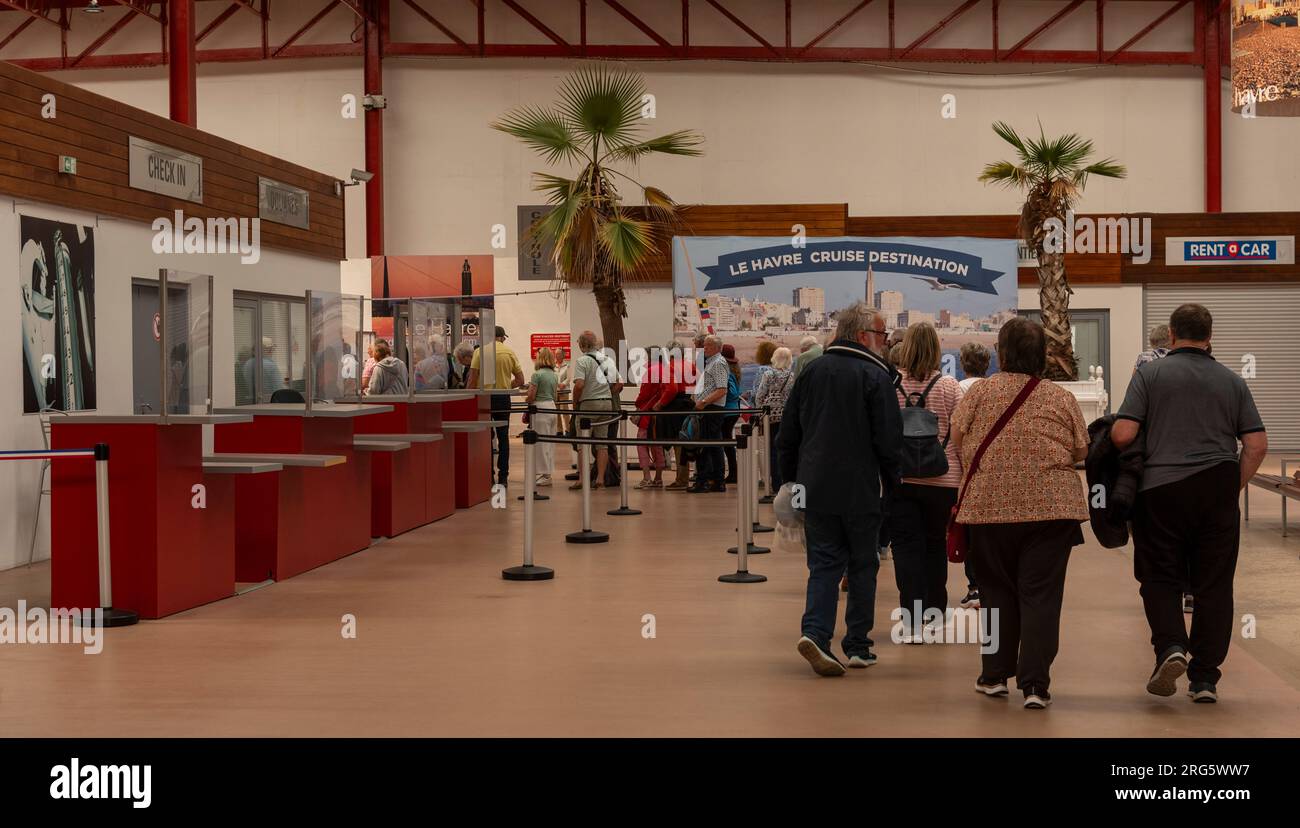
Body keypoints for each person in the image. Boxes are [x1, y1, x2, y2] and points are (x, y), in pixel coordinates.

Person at [1110, 304, 1267, 705]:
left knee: (1159, 576)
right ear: (1210, 337)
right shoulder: (1232, 381)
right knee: (1214, 584)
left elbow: (1124, 433)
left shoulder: (1150, 374)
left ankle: (1170, 648)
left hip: (1161, 491)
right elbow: (1256, 444)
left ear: (1173, 336)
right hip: (1216, 487)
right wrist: (1233, 486)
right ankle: (1205, 680)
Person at [951, 317, 1089, 709]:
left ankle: (993, 676)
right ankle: (1035, 685)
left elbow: (957, 437)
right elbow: (1082, 450)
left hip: (988, 507)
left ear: (1002, 353)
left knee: (995, 593)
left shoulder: (980, 393)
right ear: (1043, 354)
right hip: (1050, 510)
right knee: (1041, 595)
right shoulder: (1059, 397)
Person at [782, 303, 901, 676]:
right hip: (862, 489)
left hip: (814, 485)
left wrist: (789, 483)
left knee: (823, 563)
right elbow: (889, 439)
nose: (884, 342)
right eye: (882, 335)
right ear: (864, 336)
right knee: (863, 564)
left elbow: (788, 435)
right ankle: (858, 645)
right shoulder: (875, 376)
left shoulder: (812, 370)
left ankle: (815, 633)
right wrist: (894, 486)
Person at [888, 323, 965, 641]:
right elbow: (961, 434)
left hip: (901, 477)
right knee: (934, 544)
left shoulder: (890, 384)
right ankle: (935, 615)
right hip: (942, 478)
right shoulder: (949, 386)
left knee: (905, 547)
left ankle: (912, 621)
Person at [468, 326, 525, 487]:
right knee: (503, 437)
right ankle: (503, 477)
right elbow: (520, 380)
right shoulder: (509, 352)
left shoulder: (479, 352)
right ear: (501, 337)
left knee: (486, 438)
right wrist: (506, 386)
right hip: (503, 399)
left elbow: (472, 380)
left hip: (484, 399)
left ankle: (488, 476)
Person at [570, 330, 622, 490]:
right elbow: (619, 384)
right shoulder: (607, 359)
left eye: (579, 342)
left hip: (588, 404)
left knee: (582, 443)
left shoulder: (582, 361)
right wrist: (606, 393)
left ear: (583, 344)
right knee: (602, 443)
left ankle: (582, 479)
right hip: (606, 404)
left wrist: (575, 402)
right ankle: (600, 478)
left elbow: (579, 385)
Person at [634, 343, 687, 488]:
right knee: (657, 445)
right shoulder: (666, 369)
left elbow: (644, 393)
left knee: (642, 445)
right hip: (661, 413)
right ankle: (658, 477)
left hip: (647, 414)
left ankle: (646, 477)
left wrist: (637, 403)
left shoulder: (650, 371)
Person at [689, 335, 730, 494]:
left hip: (711, 409)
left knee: (707, 446)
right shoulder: (711, 362)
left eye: (707, 346)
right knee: (712, 445)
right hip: (708, 408)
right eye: (704, 345)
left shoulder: (718, 363)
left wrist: (704, 401)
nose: (704, 348)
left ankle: (705, 481)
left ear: (716, 347)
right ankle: (715, 480)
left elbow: (722, 389)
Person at [753, 346, 794, 493]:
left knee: (772, 450)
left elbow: (760, 395)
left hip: (770, 417)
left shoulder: (768, 374)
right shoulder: (792, 375)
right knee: (784, 449)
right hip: (787, 417)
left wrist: (759, 414)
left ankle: (775, 485)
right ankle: (785, 481)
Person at [525, 347, 560, 486]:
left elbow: (531, 395)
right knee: (549, 443)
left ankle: (542, 474)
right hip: (552, 407)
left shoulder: (537, 375)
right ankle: (548, 473)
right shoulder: (554, 374)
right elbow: (555, 395)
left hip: (540, 409)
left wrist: (526, 399)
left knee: (540, 443)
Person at [720, 344, 743, 485]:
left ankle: (733, 473)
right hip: (734, 410)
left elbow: (733, 392)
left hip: (727, 411)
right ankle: (733, 472)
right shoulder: (735, 371)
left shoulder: (725, 372)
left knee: (726, 442)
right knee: (728, 442)